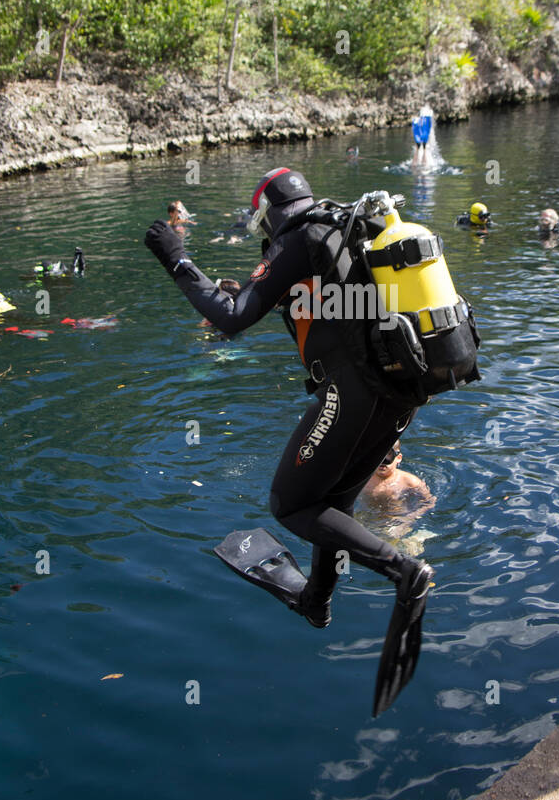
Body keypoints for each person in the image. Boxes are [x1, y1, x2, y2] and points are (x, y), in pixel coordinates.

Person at [145, 167, 479, 715]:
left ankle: (406, 572)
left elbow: (230, 318)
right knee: (332, 506)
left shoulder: (299, 238)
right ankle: (316, 601)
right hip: (401, 391)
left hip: (354, 393)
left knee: (290, 503)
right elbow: (307, 301)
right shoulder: (342, 229)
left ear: (268, 215)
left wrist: (176, 257)